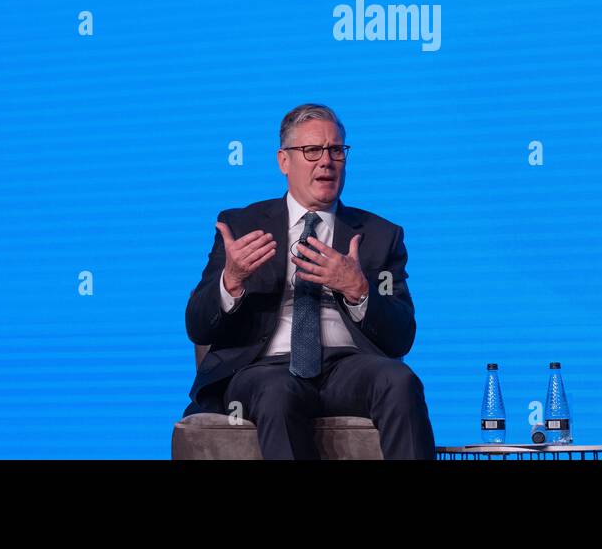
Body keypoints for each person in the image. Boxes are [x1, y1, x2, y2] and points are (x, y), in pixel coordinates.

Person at [183, 103, 435, 459]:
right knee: (277, 392)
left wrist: (358, 290)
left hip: (348, 367)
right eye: (312, 150)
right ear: (284, 161)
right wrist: (232, 279)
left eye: (336, 150)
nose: (326, 161)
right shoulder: (242, 225)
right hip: (263, 368)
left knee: (399, 380)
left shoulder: (380, 235)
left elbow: (401, 335)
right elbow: (198, 326)